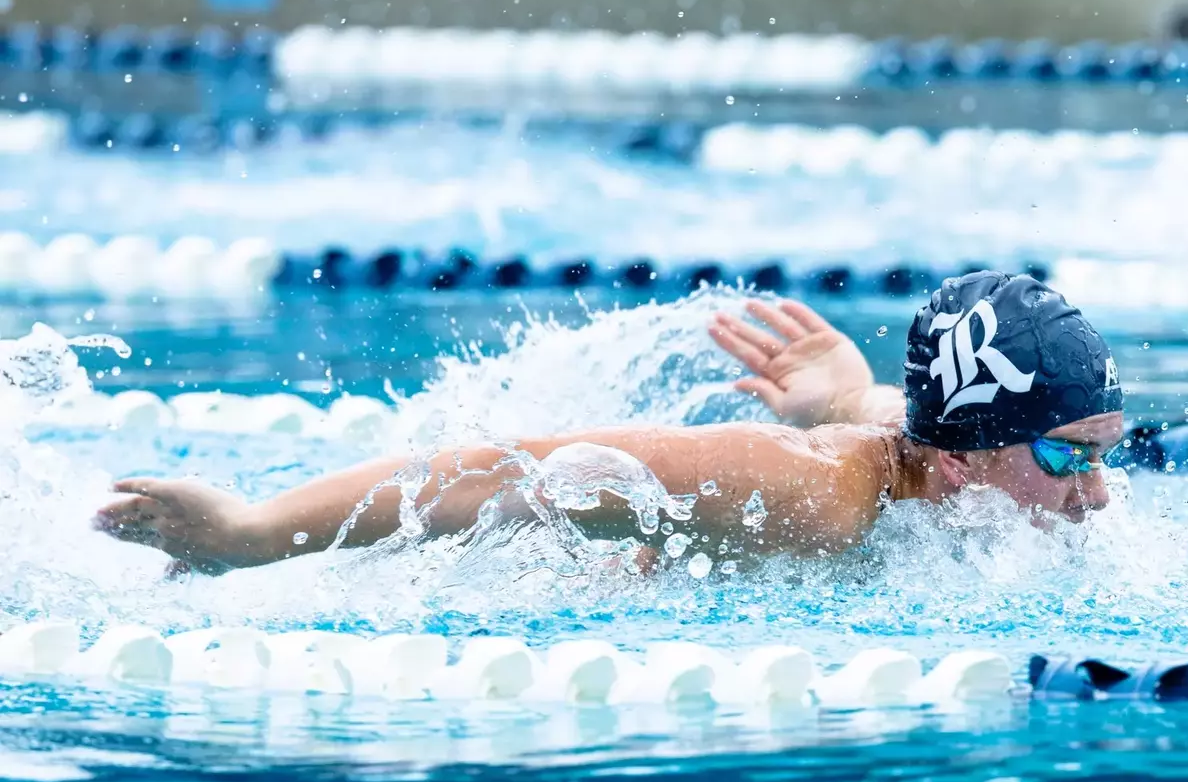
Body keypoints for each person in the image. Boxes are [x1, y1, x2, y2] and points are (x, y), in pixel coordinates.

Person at [93, 271, 1125, 574]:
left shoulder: (933, 458)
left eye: (1099, 453)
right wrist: (254, 532)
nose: (1096, 494)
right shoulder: (805, 492)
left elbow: (902, 423)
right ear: (956, 466)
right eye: (1063, 458)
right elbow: (502, 470)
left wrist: (841, 396)